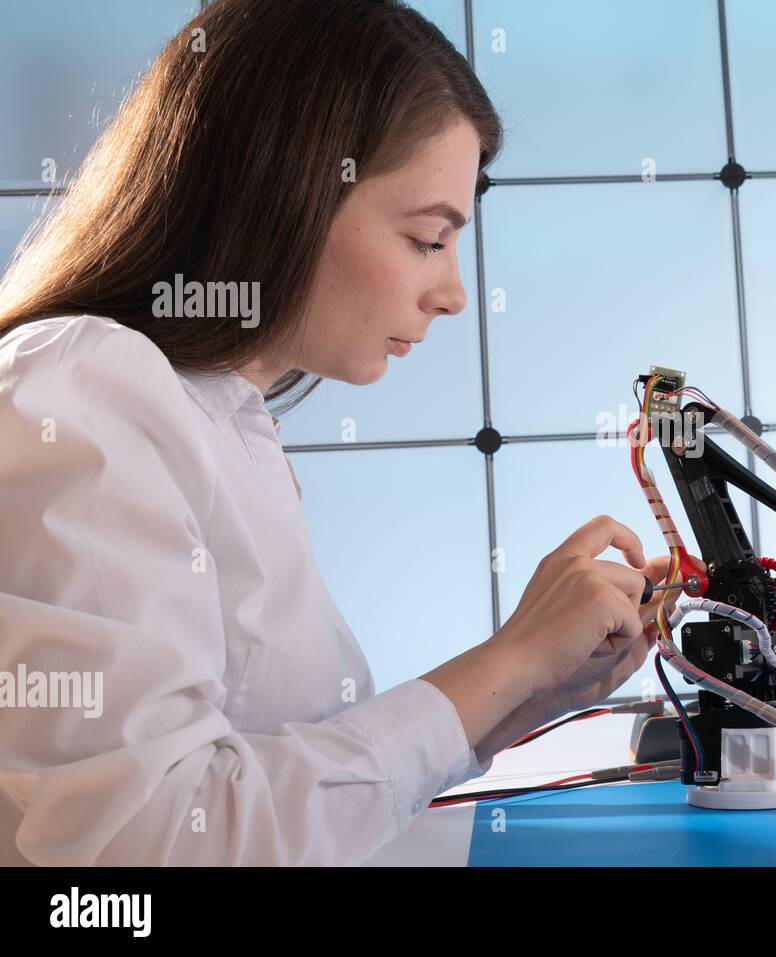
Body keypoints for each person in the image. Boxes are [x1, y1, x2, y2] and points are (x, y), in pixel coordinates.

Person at [0, 0, 674, 865]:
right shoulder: (83, 384)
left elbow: (295, 794)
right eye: (429, 238)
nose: (453, 293)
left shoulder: (223, 419)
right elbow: (149, 843)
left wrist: (539, 683)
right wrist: (507, 660)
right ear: (285, 191)